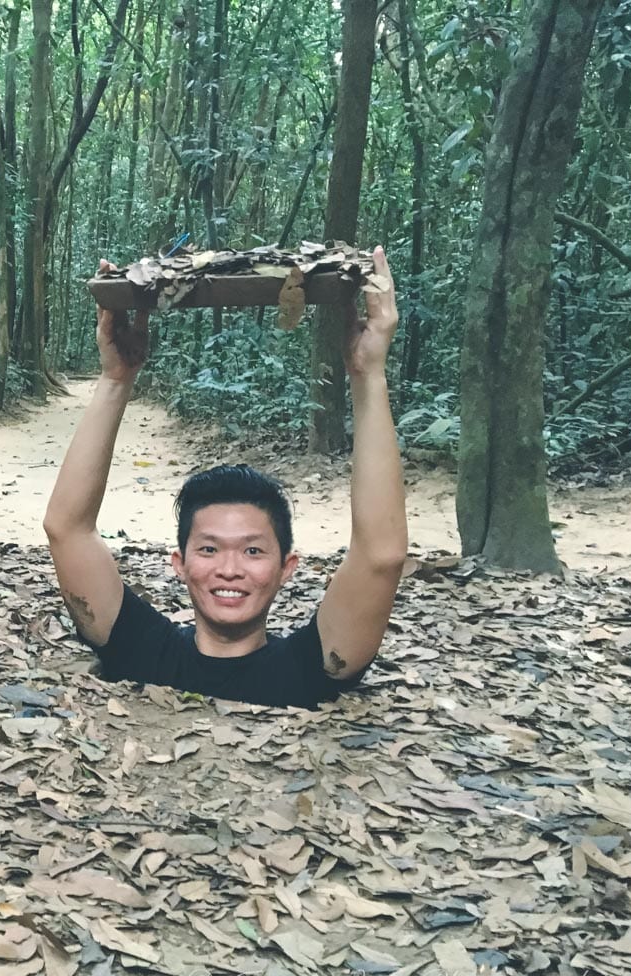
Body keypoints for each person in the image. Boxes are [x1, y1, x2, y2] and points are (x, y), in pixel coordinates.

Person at [42, 247, 407, 709]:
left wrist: (368, 374)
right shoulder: (141, 651)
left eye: (253, 551)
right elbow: (66, 529)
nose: (229, 570)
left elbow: (381, 556)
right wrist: (117, 379)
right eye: (209, 549)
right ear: (179, 562)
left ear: (286, 569)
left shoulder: (311, 667)